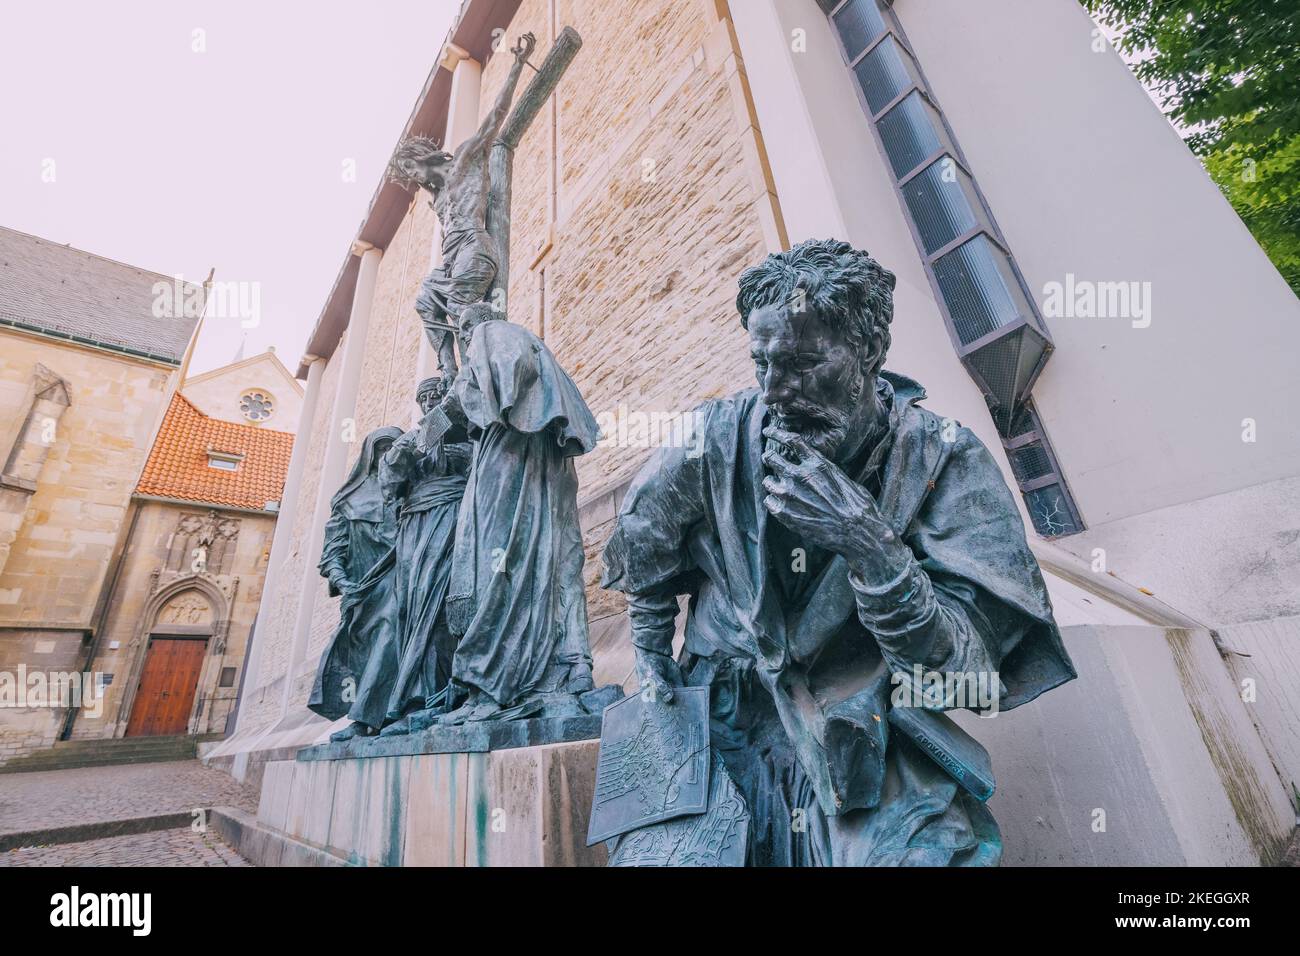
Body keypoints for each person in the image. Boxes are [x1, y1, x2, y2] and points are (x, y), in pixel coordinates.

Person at [601, 239, 1076, 865]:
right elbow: (645, 556)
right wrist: (656, 673)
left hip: (860, 733)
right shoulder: (714, 437)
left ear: (870, 353)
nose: (775, 391)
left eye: (802, 364)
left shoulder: (945, 460)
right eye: (761, 364)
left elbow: (962, 676)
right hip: (717, 721)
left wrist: (868, 544)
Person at [437, 303, 599, 724]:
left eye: (464, 334)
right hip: (547, 456)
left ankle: (493, 681)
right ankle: (565, 665)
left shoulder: (493, 334)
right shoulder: (537, 348)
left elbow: (490, 385)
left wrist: (437, 422)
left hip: (508, 452)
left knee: (495, 561)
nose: (466, 343)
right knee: (551, 557)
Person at [387, 33, 537, 381]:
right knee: (426, 299)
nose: (417, 179)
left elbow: (495, 117)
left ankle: (476, 376)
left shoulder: (466, 159)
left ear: (424, 159)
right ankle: (449, 369)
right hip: (451, 260)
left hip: (474, 246)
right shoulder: (435, 200)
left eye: (414, 170)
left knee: (459, 305)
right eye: (410, 176)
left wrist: (516, 65)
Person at [379, 377, 471, 735]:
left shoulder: (470, 437)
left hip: (452, 520)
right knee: (413, 610)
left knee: (442, 608)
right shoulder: (414, 438)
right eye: (425, 397)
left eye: (438, 395)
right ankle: (417, 694)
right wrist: (436, 421)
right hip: (414, 531)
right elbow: (390, 475)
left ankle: (436, 694)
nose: (431, 401)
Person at [308, 426, 403, 741]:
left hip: (400, 579)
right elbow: (332, 552)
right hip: (363, 588)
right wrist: (343, 582)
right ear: (370, 455)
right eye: (382, 448)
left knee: (393, 628)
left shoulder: (406, 491)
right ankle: (372, 715)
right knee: (367, 646)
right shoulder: (349, 500)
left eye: (395, 448)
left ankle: (367, 717)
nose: (388, 454)